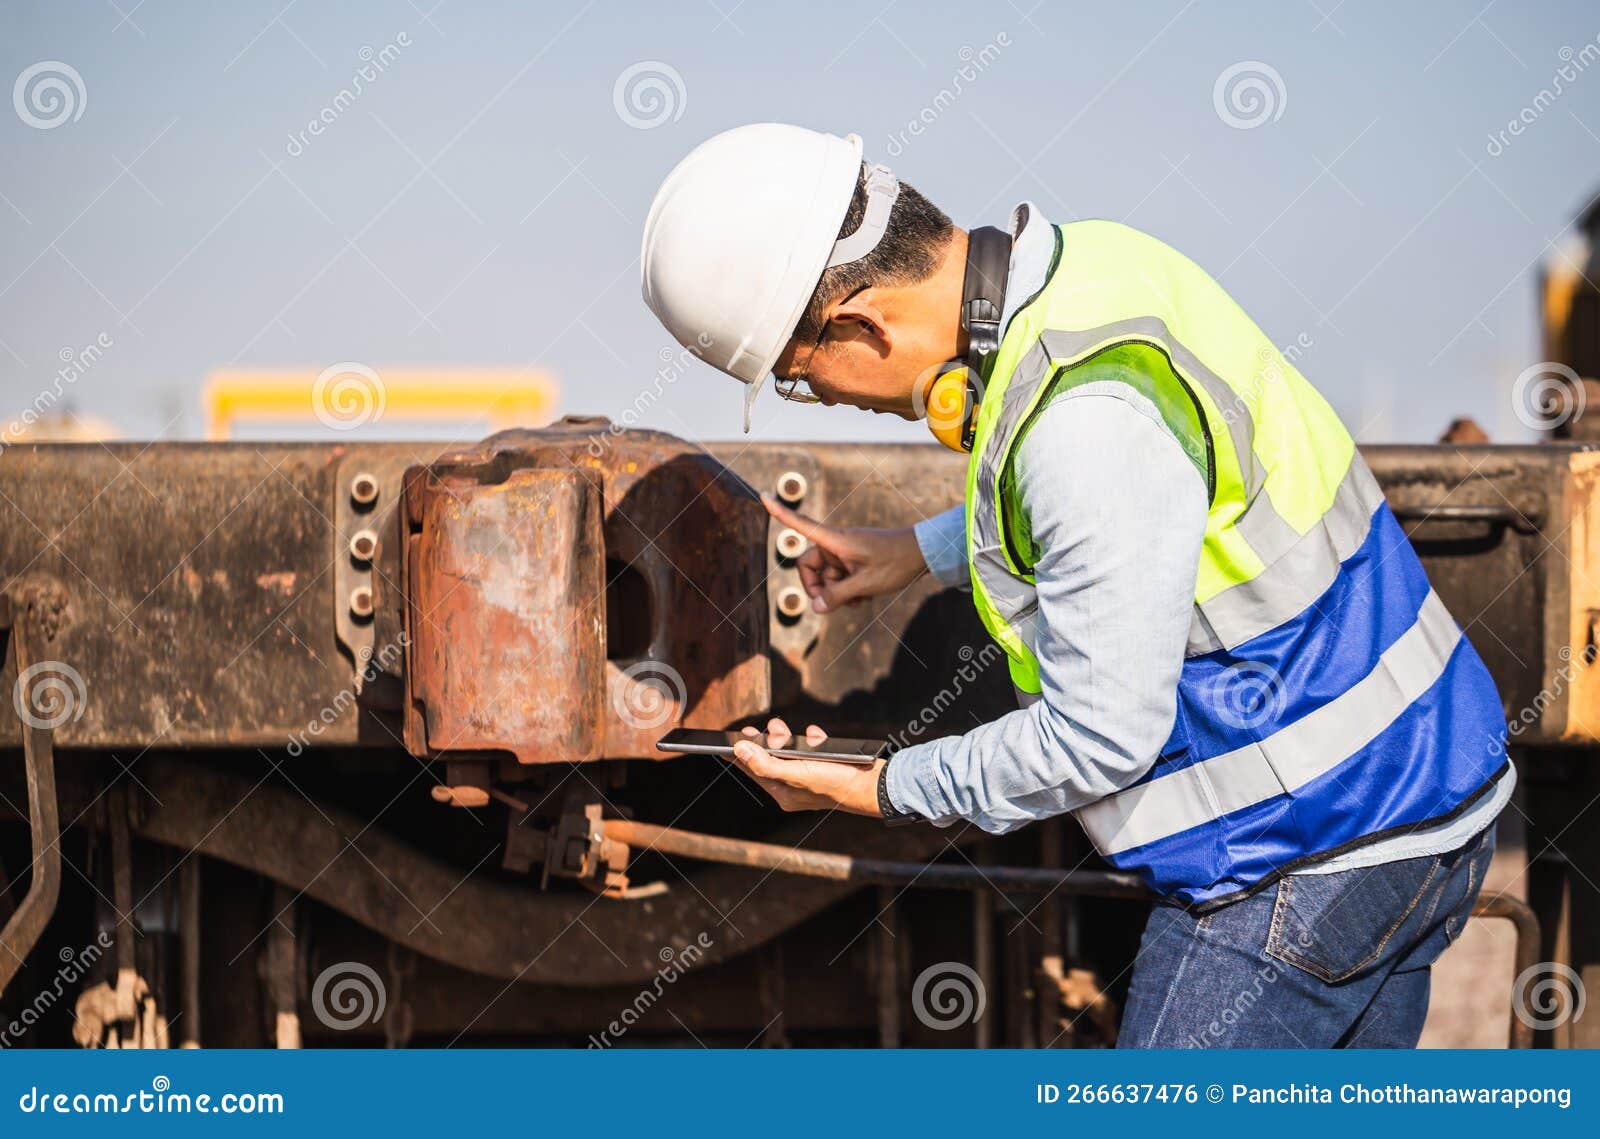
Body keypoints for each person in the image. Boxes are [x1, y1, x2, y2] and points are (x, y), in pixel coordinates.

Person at [640, 123, 1512, 1047]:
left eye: (802, 379)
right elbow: (1145, 502)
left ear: (862, 327)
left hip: (1307, 850)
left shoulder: (1080, 419)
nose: (830, 398)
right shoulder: (1095, 271)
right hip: (1427, 786)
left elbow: (1099, 735)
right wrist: (918, 549)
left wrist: (878, 786)